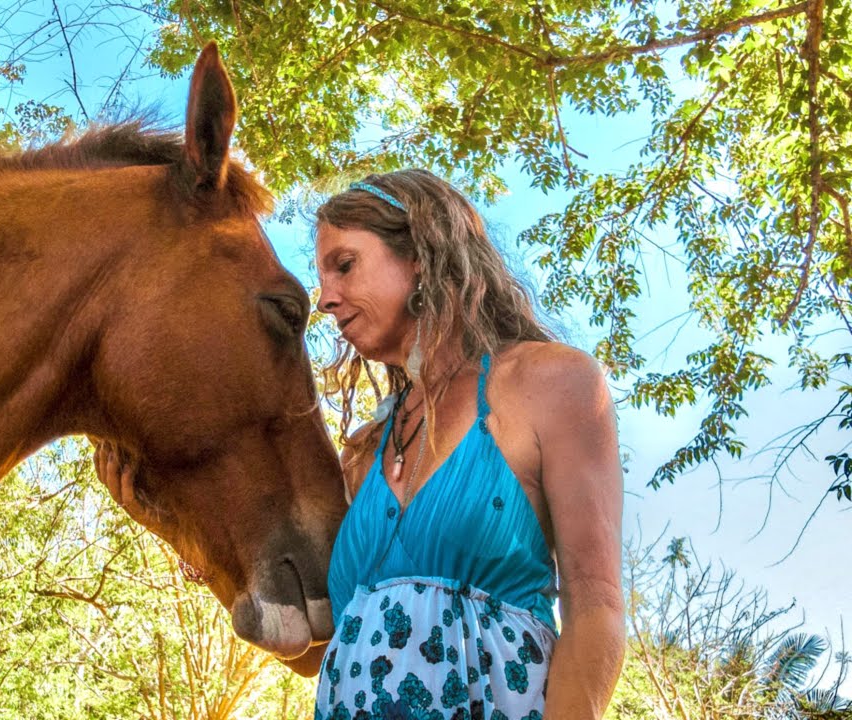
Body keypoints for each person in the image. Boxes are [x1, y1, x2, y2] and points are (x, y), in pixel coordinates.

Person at [97, 169, 625, 719]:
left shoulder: (551, 384)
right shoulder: (364, 451)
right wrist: (176, 531)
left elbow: (597, 606)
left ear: (422, 252)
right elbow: (320, 651)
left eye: (344, 266)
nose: (326, 299)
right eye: (323, 279)